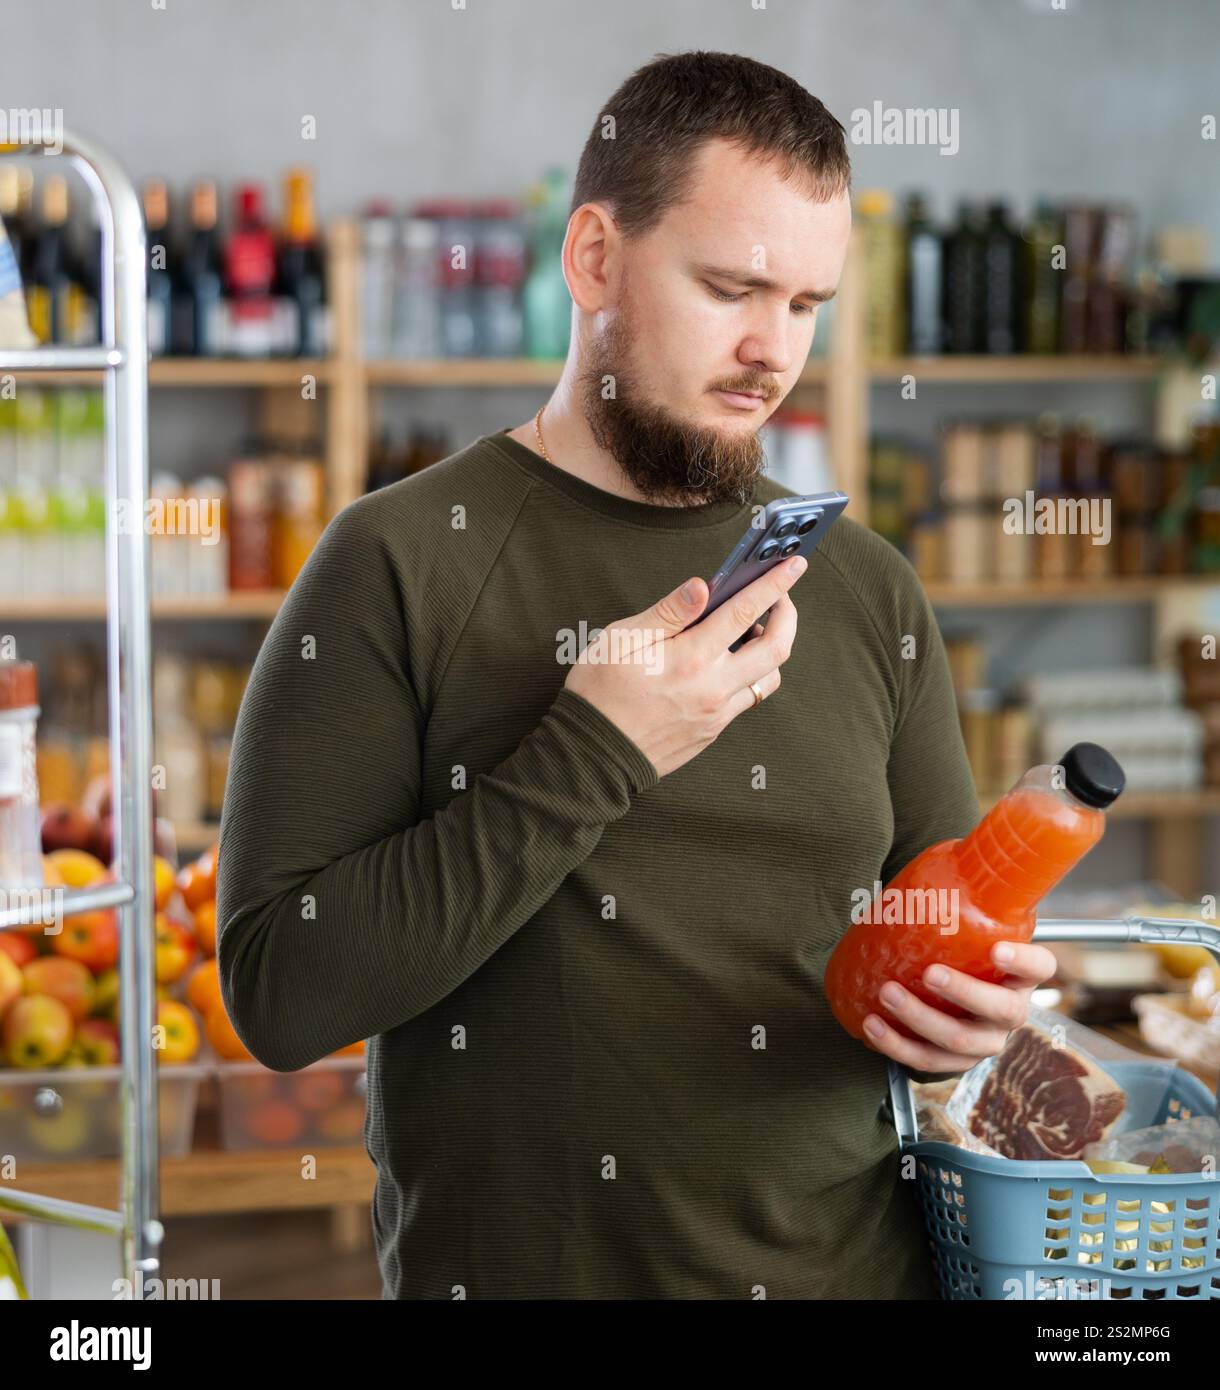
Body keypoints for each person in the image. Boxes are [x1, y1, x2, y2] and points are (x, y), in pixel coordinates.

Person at [217, 49, 1056, 1299]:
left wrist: (969, 1021)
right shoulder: (394, 562)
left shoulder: (868, 586)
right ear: (593, 257)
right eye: (731, 288)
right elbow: (282, 993)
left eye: (806, 305)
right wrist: (589, 751)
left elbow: (925, 926)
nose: (772, 351)